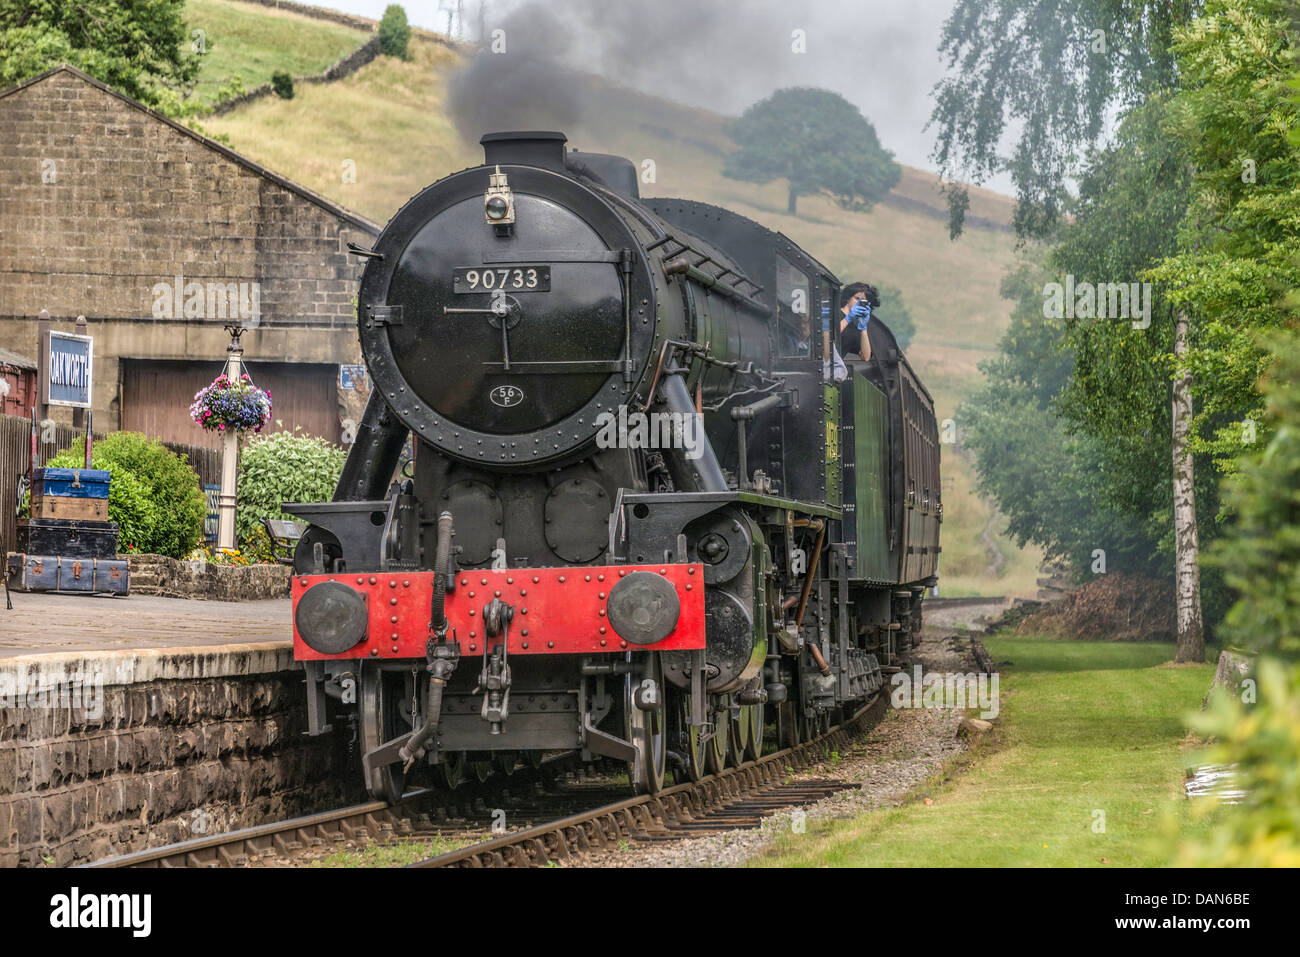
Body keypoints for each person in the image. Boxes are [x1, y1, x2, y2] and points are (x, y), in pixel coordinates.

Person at [838, 282, 879, 361]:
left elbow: (866, 357)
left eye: (864, 302)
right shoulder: (833, 313)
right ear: (848, 297)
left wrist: (863, 329)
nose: (859, 303)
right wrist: (848, 318)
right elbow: (829, 335)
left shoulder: (854, 326)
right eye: (857, 298)